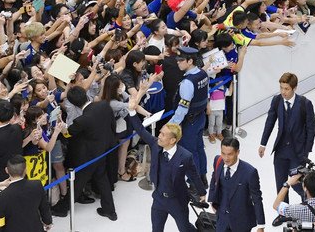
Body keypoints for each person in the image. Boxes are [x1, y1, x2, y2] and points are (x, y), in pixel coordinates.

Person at [126, 86, 205, 232]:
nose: (159, 136)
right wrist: (131, 111)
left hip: (178, 201)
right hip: (159, 200)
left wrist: (202, 193)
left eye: (163, 135)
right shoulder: (156, 145)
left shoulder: (185, 156)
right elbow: (141, 130)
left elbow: (194, 175)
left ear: (173, 140)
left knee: (185, 229)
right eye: (160, 133)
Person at [259, 72, 315, 203]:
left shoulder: (305, 103)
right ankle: (283, 213)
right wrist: (263, 144)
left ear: (294, 88)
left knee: (297, 183)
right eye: (281, 88)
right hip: (280, 150)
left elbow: (311, 129)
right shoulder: (276, 100)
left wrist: (306, 152)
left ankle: (308, 206)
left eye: (286, 89)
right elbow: (270, 122)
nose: (283, 92)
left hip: (298, 151)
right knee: (280, 183)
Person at [62, 85, 118, 221]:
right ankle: (110, 211)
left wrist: (61, 126)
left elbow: (68, 134)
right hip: (105, 149)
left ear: (74, 104)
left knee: (78, 182)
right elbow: (112, 125)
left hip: (89, 156)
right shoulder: (104, 105)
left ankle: (63, 208)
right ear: (86, 95)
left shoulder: (82, 120)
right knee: (102, 179)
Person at [168, 45, 209, 179]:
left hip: (189, 121)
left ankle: (194, 183)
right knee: (199, 148)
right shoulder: (202, 74)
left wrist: (172, 125)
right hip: (200, 117)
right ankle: (203, 176)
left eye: (181, 60)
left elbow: (182, 109)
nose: (178, 62)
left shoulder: (188, 82)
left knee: (190, 152)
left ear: (190, 61)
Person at [208, 136, 266, 232]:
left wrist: (261, 225)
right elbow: (214, 178)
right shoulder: (218, 160)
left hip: (242, 222)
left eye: (230, 154)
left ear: (237, 152)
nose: (226, 158)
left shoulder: (250, 172)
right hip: (222, 219)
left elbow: (257, 198)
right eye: (223, 153)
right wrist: (212, 200)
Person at [0, 155, 52, 231]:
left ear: (7, 170)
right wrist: (48, 222)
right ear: (25, 170)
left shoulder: (0, 197)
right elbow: (44, 208)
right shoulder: (37, 185)